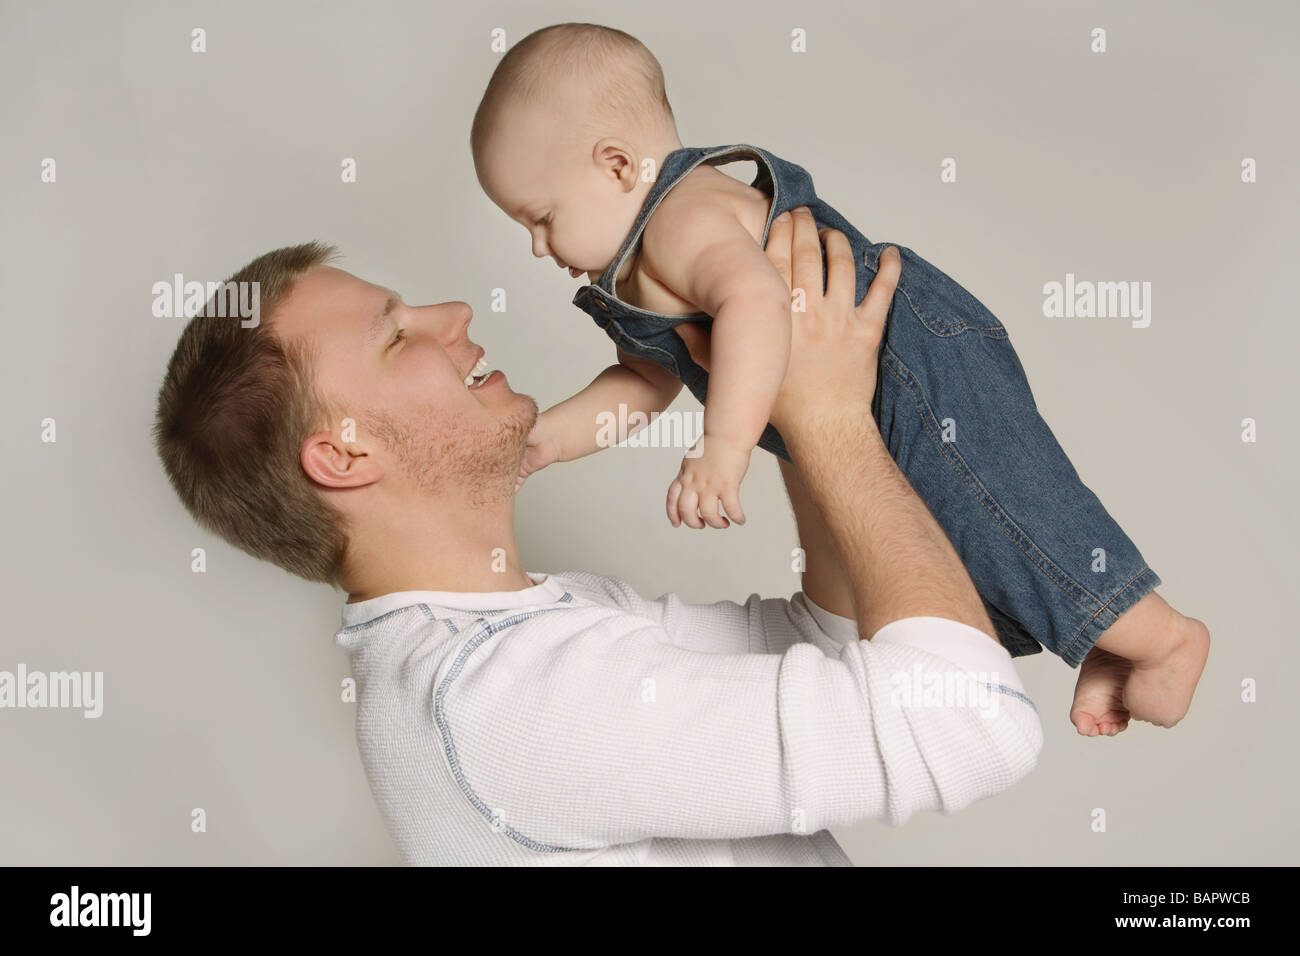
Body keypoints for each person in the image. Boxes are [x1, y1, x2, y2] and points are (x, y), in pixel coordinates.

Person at [152, 209, 1042, 865]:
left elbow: (833, 642)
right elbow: (969, 720)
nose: (453, 313)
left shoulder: (533, 633)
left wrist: (774, 394)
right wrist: (834, 420)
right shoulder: (495, 699)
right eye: (397, 336)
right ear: (343, 455)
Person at [469, 22, 1209, 737]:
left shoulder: (678, 220)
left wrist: (722, 448)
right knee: (958, 536)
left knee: (1002, 504)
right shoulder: (637, 268)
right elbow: (645, 381)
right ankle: (1102, 637)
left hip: (908, 353)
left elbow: (756, 301)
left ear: (618, 165)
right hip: (862, 380)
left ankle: (1161, 634)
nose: (537, 247)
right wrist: (547, 441)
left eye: (540, 218)